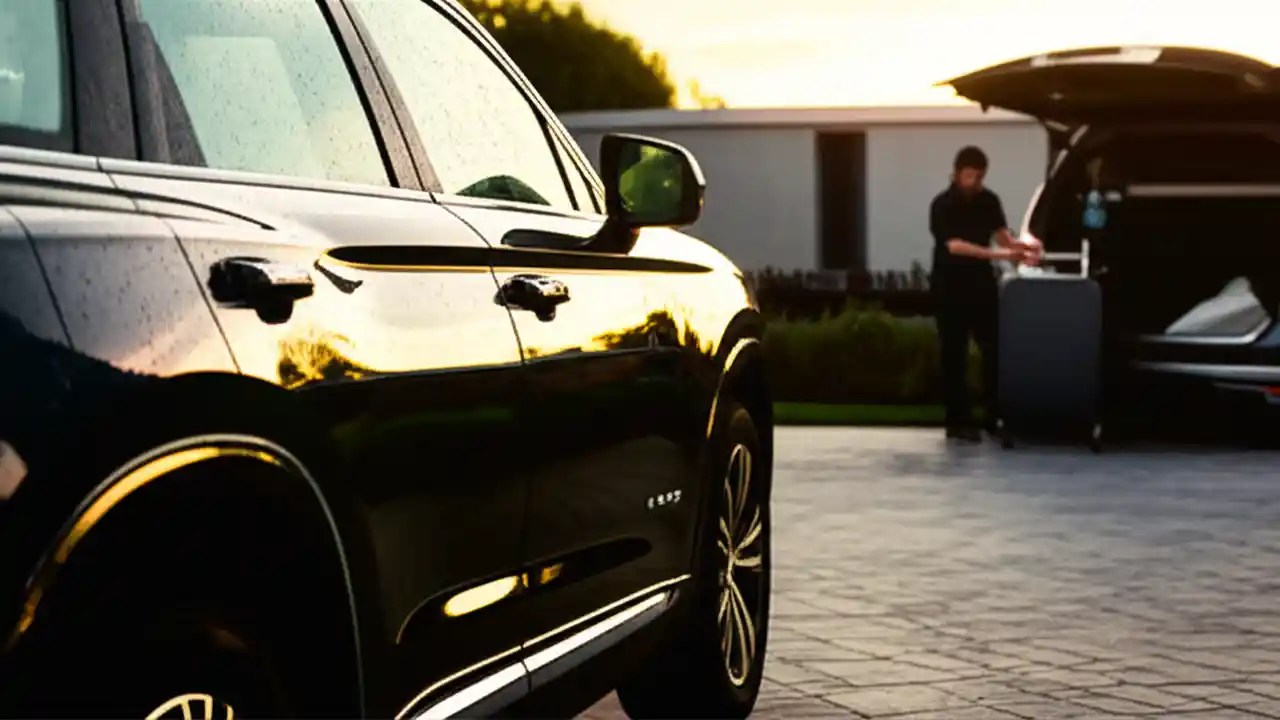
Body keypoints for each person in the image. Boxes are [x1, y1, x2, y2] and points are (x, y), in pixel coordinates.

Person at [930, 146, 1041, 442]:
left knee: (992, 349)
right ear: (956, 174)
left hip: (981, 286)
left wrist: (1023, 250)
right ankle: (957, 421)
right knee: (954, 354)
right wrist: (1000, 253)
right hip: (950, 286)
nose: (975, 182)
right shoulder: (942, 205)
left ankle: (993, 416)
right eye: (970, 176)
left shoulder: (989, 201)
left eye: (979, 176)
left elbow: (1002, 235)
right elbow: (955, 246)